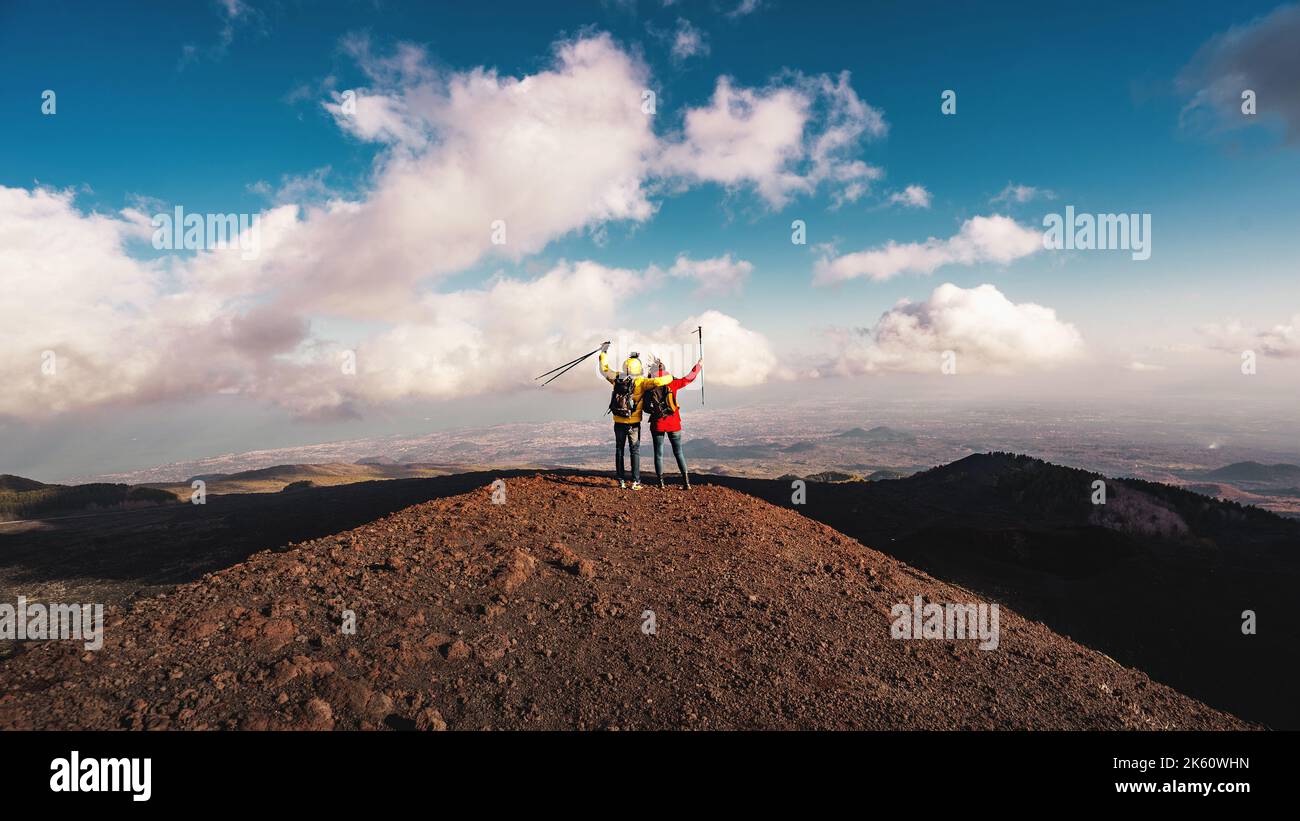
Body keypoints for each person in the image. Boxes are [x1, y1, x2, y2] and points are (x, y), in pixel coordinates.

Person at [597, 343, 673, 490]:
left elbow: (603, 369)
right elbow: (663, 380)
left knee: (619, 449)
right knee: (634, 450)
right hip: (634, 422)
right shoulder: (642, 382)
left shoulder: (616, 378)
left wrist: (603, 352)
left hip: (618, 420)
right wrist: (664, 369)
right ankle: (636, 481)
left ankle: (621, 480)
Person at [645, 358, 702, 489]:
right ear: (665, 370)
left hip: (657, 423)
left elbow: (646, 407)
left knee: (658, 453)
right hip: (674, 423)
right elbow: (689, 378)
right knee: (678, 452)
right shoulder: (673, 382)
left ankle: (661, 484)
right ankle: (686, 483)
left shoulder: (649, 385)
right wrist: (698, 365)